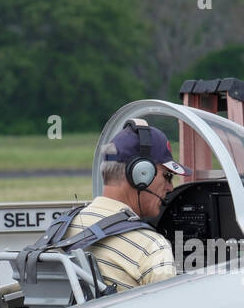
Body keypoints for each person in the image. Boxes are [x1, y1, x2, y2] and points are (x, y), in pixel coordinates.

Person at [65, 122, 185, 292]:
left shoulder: (63, 229)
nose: (170, 187)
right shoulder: (151, 247)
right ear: (141, 174)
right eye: (167, 176)